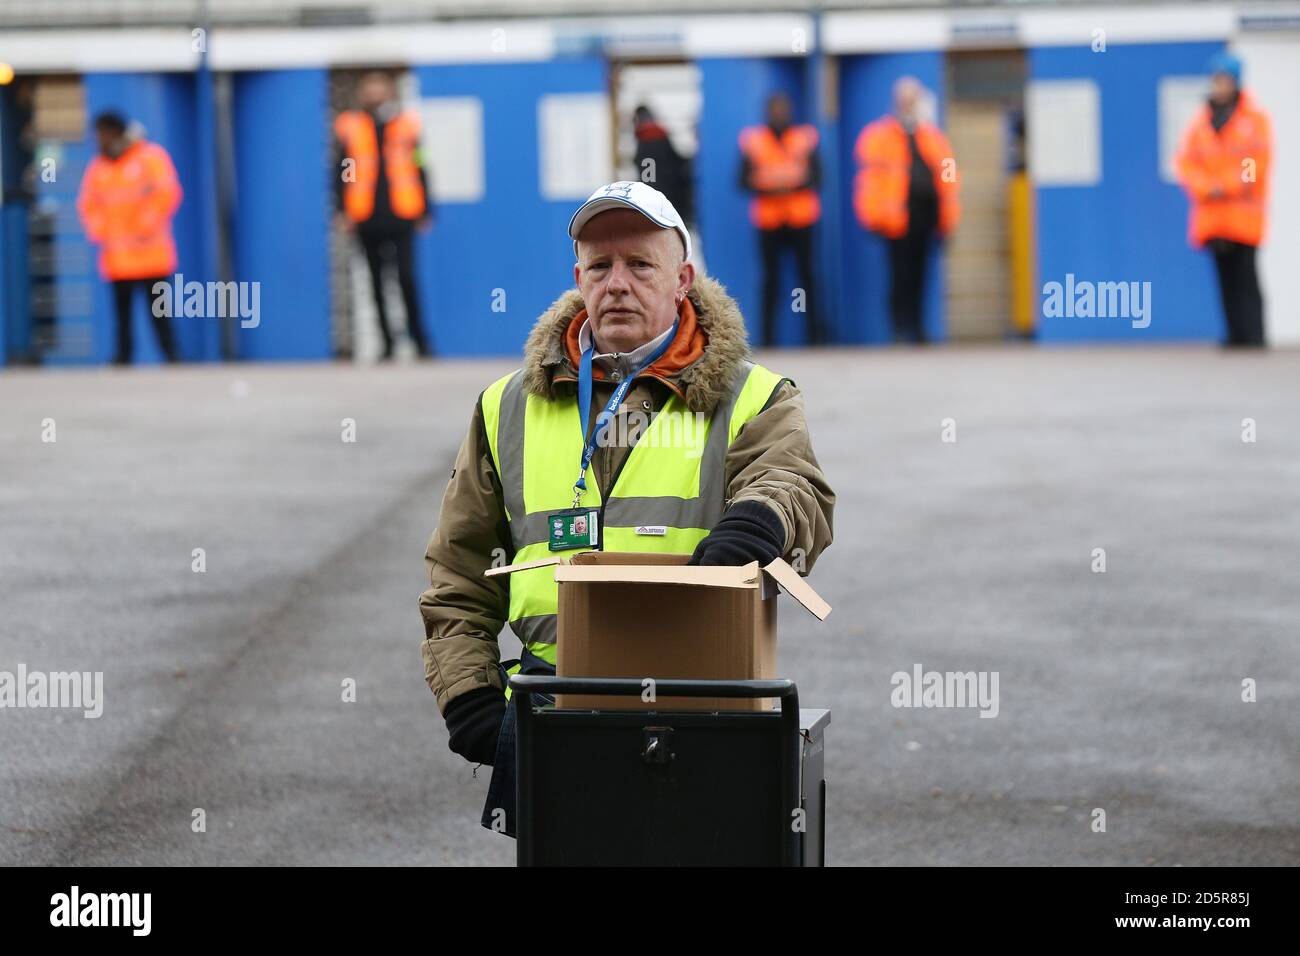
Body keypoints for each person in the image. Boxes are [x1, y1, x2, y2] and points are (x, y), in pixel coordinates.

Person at [418, 180, 835, 836]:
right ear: (576, 276)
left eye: (640, 264)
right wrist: (468, 693)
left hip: (704, 709)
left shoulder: (753, 396)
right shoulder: (507, 407)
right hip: (551, 715)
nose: (617, 283)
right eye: (600, 265)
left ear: (683, 279)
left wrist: (758, 520)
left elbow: (794, 486)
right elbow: (457, 575)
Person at [334, 70, 434, 359]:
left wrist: (425, 208)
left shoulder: (406, 126)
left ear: (389, 91)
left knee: (406, 278)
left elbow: (420, 165)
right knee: (375, 281)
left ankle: (420, 342)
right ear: (363, 92)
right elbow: (342, 169)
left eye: (380, 86)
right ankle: (387, 344)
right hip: (366, 216)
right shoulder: (351, 127)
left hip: (402, 214)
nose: (375, 92)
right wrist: (343, 209)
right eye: (370, 86)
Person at [1175, 52, 1272, 348]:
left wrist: (1227, 185)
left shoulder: (1253, 121)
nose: (1219, 86)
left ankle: (1254, 335)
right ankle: (1235, 335)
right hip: (1213, 216)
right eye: (1216, 80)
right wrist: (1206, 186)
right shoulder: (1201, 123)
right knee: (1225, 279)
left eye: (1224, 80)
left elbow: (1254, 163)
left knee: (1246, 278)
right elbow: (1187, 163)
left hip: (1242, 216)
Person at [854, 77, 960, 345]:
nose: (909, 104)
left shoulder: (934, 137)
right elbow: (870, 180)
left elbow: (949, 174)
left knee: (921, 276)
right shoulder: (879, 136)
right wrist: (872, 215)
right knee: (899, 276)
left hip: (926, 219)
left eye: (913, 98)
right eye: (904, 98)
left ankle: (919, 329)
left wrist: (948, 216)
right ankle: (899, 330)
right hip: (896, 220)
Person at [76, 112, 182, 364]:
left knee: (160, 312)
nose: (98, 140)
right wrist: (99, 229)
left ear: (115, 132)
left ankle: (172, 356)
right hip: (118, 257)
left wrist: (146, 223)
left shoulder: (149, 158)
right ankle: (123, 357)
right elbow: (88, 205)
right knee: (122, 314)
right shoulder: (99, 167)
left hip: (151, 255)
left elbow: (167, 193)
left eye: (102, 133)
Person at [738, 92, 827, 346]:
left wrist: (791, 186)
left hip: (801, 219)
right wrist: (770, 188)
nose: (779, 114)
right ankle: (768, 338)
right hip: (769, 221)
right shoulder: (754, 141)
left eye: (783, 109)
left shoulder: (805, 138)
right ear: (767, 112)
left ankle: (815, 336)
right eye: (775, 109)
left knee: (807, 277)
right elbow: (742, 180)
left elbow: (819, 178)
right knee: (770, 279)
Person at [632, 104, 703, 270]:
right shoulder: (663, 137)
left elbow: (649, 178)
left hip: (661, 210)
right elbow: (679, 165)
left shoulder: (646, 143)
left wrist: (649, 203)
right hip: (680, 204)